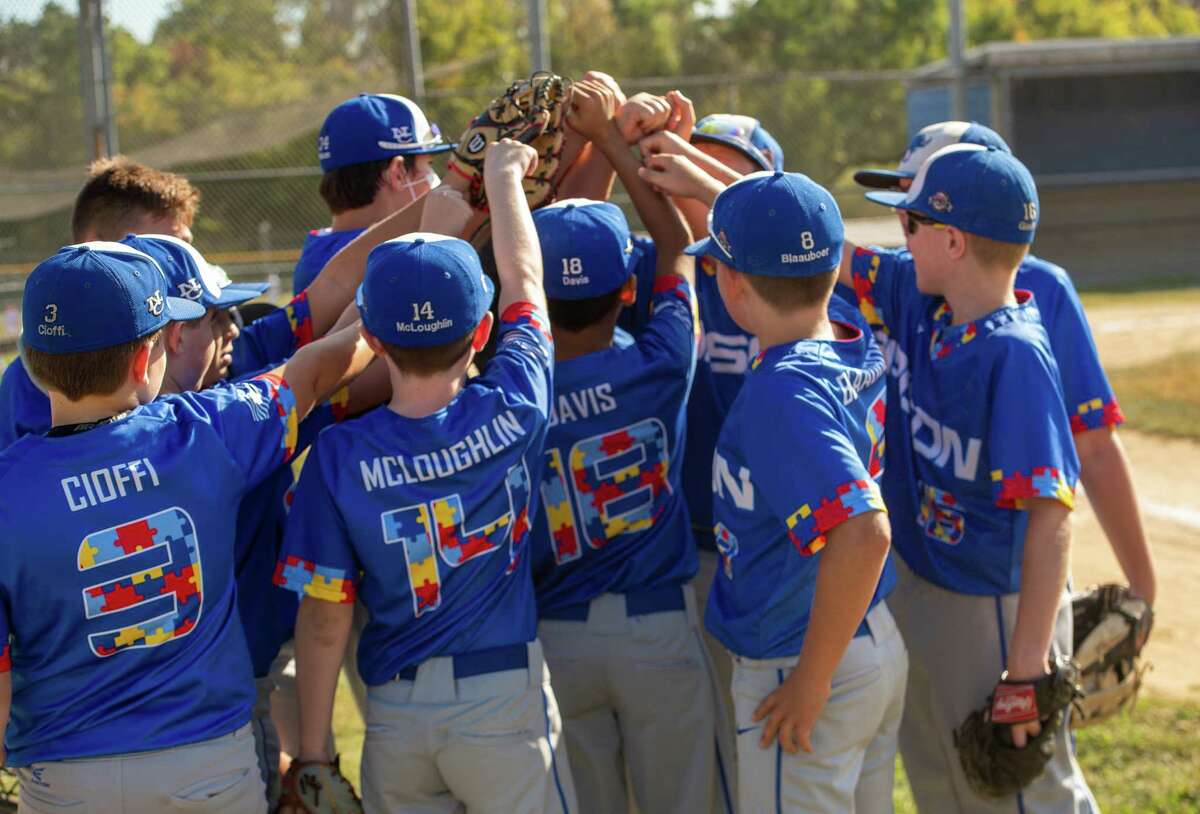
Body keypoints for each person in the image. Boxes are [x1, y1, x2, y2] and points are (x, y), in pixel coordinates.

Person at [0, 241, 373, 812]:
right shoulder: (203, 432)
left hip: (65, 777)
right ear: (141, 361)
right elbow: (317, 369)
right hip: (206, 765)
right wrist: (384, 309)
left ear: (31, 358)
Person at [275, 139, 577, 813]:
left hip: (397, 714)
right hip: (503, 699)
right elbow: (526, 281)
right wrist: (503, 179)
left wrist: (317, 751)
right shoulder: (516, 403)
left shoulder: (338, 455)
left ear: (372, 341)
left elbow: (325, 620)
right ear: (481, 331)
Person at [843, 143, 1097, 812]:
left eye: (913, 223)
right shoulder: (923, 303)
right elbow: (811, 247)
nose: (903, 235)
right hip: (925, 584)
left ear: (952, 241)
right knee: (942, 782)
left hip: (994, 611)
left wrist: (1027, 666)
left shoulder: (1014, 353)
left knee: (1019, 791)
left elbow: (1051, 518)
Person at [852, 120, 1156, 607]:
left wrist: (1143, 587)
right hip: (911, 557)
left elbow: (1092, 447)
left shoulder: (1040, 293)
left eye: (917, 208)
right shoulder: (908, 278)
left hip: (992, 573)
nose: (904, 224)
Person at [528, 81, 720, 813]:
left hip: (558, 637)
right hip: (655, 627)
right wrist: (609, 137)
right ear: (623, 292)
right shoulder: (659, 362)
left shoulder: (515, 387)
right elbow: (676, 242)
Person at [690, 171, 906, 813]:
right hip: (865, 638)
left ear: (730, 284)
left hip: (806, 657)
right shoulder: (843, 327)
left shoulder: (782, 389)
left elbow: (865, 531)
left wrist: (811, 682)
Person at [292, 93, 453, 295]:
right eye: (428, 165)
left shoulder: (318, 248)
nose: (433, 177)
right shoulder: (389, 258)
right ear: (398, 173)